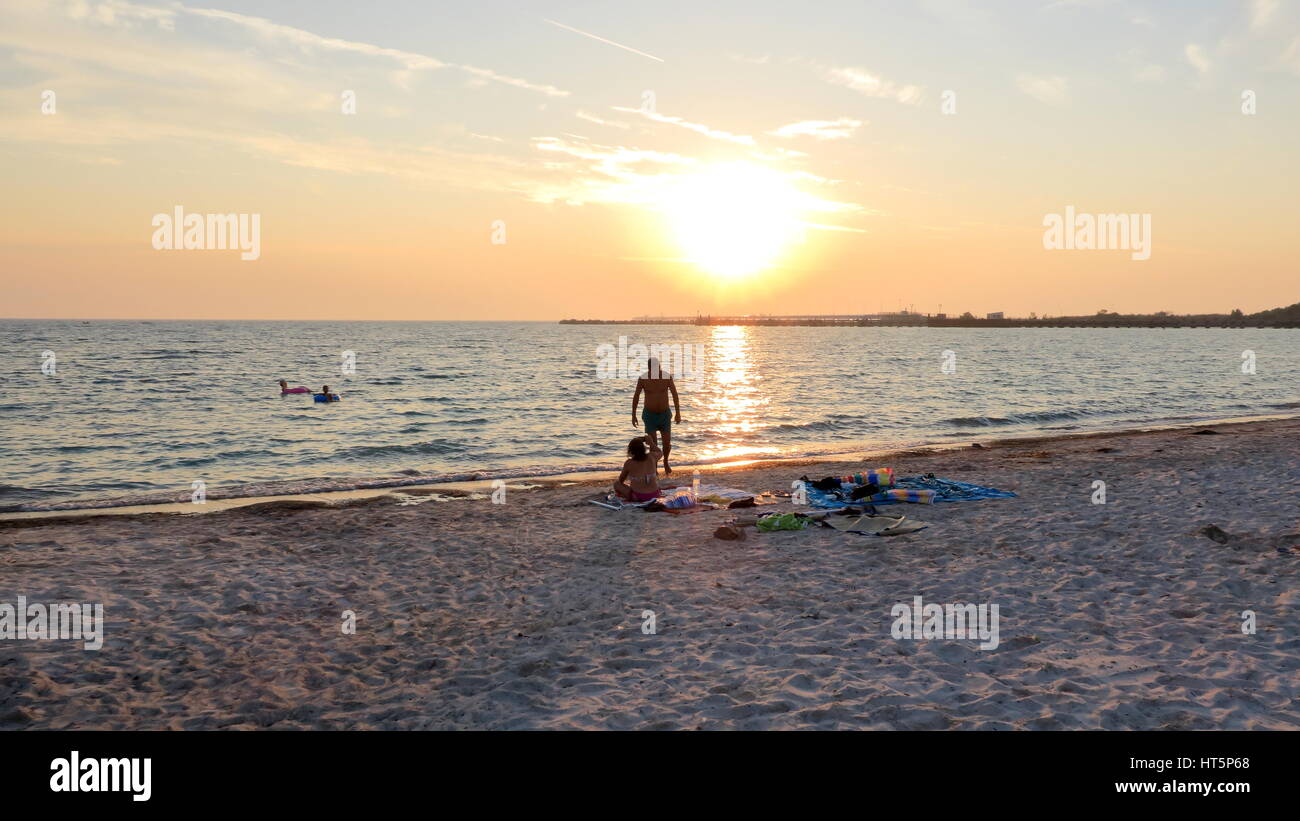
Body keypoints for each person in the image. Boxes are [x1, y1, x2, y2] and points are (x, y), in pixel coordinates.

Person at [631, 357, 681, 474]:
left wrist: (678, 413)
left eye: (657, 369)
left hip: (664, 415)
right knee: (653, 443)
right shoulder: (643, 378)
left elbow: (675, 395)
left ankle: (666, 462)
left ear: (659, 367)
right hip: (650, 415)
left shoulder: (666, 377)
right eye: (652, 370)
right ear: (648, 369)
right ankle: (654, 466)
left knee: (667, 443)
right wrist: (633, 415)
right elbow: (636, 396)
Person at [614, 435, 662, 502]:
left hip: (637, 496)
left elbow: (621, 480)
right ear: (643, 448)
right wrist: (651, 442)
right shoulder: (652, 456)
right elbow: (660, 452)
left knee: (616, 484)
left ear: (630, 451)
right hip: (655, 494)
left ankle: (625, 496)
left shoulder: (629, 463)